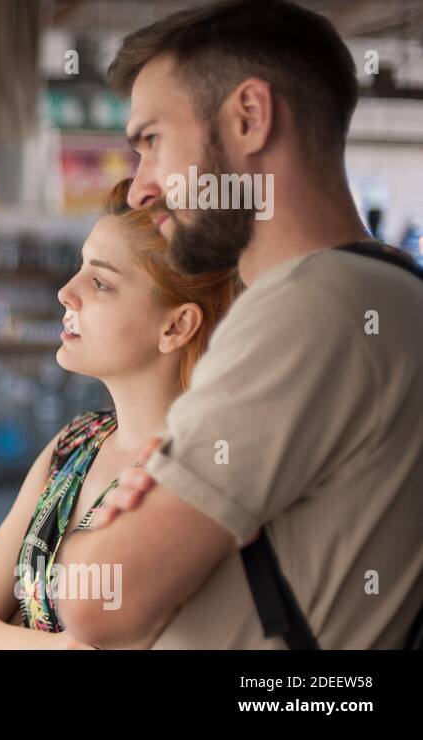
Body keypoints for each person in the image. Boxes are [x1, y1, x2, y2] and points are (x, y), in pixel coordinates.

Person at [53, 0, 423, 649]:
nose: (141, 188)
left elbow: (97, 602)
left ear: (249, 117)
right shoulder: (393, 287)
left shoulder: (306, 309)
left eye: (152, 142)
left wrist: (111, 525)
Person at [0, 178, 239, 648]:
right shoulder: (76, 442)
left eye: (99, 282)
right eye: (80, 269)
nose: (65, 293)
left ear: (176, 325)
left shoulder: (203, 475)